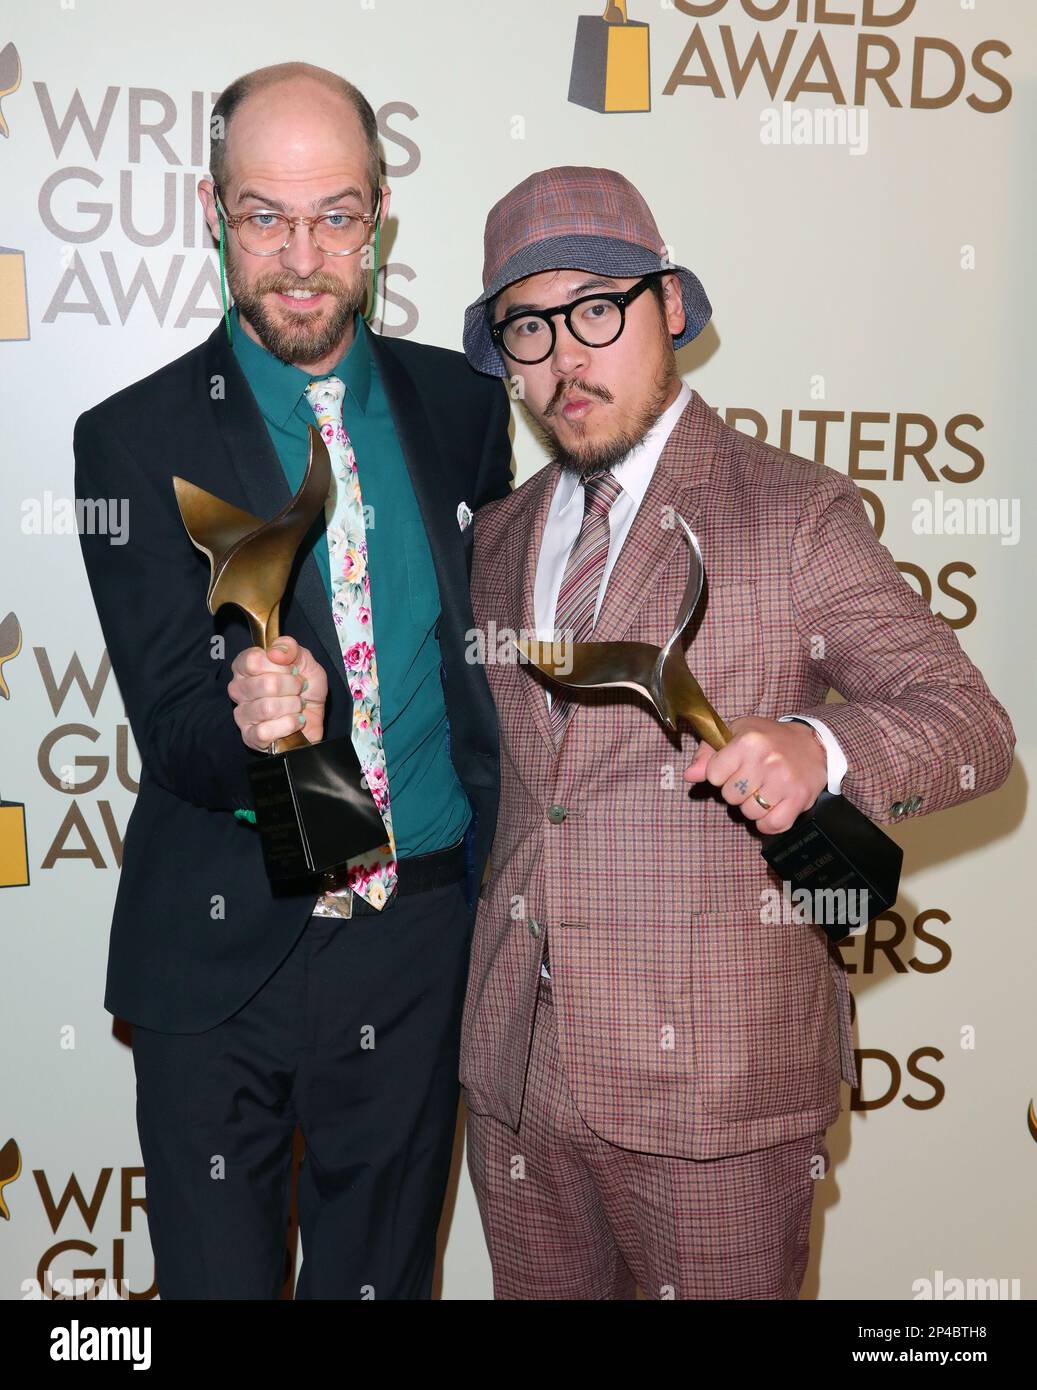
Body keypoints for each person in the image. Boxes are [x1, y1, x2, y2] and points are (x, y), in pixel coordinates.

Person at [456, 165, 1015, 1299]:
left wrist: (822, 747)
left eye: (595, 310)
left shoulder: (790, 511)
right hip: (518, 1075)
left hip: (714, 1087)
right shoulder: (499, 535)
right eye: (527, 326)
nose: (565, 357)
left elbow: (971, 725)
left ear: (668, 308)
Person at [74, 62, 511, 1300]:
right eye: (265, 215)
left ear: (378, 214)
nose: (302, 255)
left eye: (335, 216)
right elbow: (174, 731)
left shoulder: (462, 401)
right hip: (221, 949)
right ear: (211, 213)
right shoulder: (130, 438)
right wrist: (249, 721)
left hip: (420, 938)